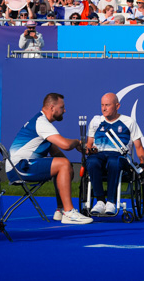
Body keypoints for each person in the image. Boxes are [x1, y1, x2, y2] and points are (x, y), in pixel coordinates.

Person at [7, 93, 93, 224]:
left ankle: (60, 210)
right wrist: (78, 142)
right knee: (63, 165)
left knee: (63, 165)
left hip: (19, 166)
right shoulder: (41, 122)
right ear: (52, 108)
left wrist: (69, 168)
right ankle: (69, 212)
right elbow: (65, 145)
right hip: (19, 167)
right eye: (62, 107)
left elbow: (55, 152)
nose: (65, 110)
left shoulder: (42, 123)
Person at [85, 93, 144, 217]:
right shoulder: (96, 121)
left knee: (114, 161)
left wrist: (142, 164)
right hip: (99, 155)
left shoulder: (128, 122)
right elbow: (89, 145)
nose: (104, 108)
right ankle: (100, 201)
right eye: (102, 105)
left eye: (107, 105)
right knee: (91, 161)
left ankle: (111, 202)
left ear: (117, 106)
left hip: (120, 156)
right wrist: (88, 150)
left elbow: (138, 147)